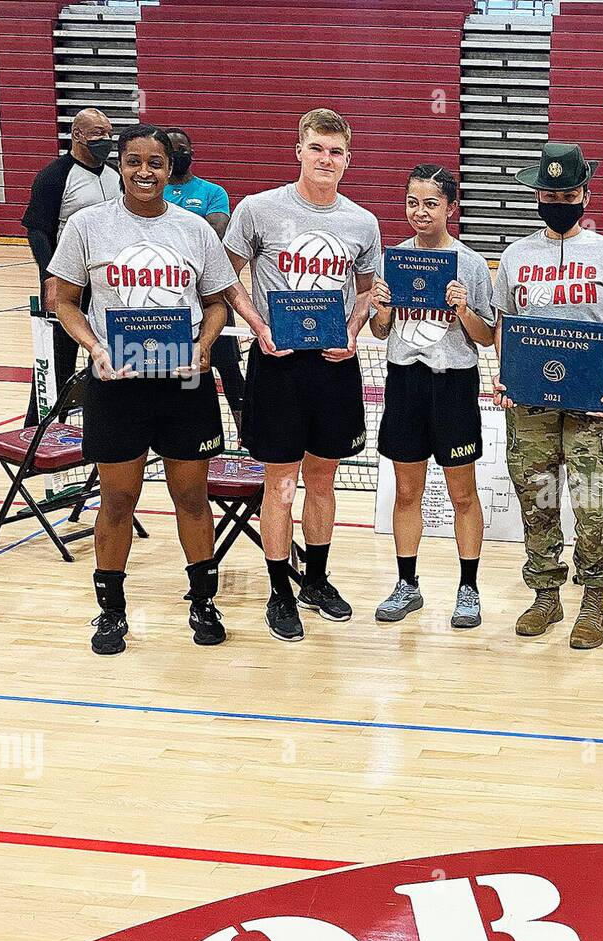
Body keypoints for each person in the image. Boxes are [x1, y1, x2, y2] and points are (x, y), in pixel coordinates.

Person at [47, 123, 237, 655]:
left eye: (155, 163)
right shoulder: (87, 225)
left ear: (169, 168)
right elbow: (62, 301)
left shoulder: (195, 229)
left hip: (184, 383)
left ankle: (202, 601)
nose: (144, 172)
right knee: (118, 498)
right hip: (118, 384)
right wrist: (95, 347)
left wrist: (204, 344)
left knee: (192, 497)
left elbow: (219, 299)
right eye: (134, 162)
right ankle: (111, 612)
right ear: (120, 166)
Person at [222, 108, 381, 642]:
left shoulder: (362, 222)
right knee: (281, 484)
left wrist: (355, 330)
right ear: (298, 150)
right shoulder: (258, 209)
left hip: (333, 367)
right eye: (317, 149)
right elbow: (225, 277)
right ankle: (279, 592)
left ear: (348, 159)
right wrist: (257, 323)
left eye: (336, 152)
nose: (326, 160)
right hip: (277, 363)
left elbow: (365, 291)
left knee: (323, 481)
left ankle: (315, 580)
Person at [491, 142, 603, 649]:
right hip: (531, 404)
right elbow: (503, 326)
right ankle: (545, 594)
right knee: (537, 499)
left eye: (568, 192)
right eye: (549, 193)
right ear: (537, 195)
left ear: (584, 194)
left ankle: (596, 599)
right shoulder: (515, 257)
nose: (558, 200)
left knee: (592, 502)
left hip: (592, 404)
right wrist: (505, 372)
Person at [370, 165, 496, 629]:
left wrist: (463, 309)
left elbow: (485, 338)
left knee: (463, 493)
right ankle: (407, 584)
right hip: (405, 382)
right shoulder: (393, 259)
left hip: (454, 386)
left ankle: (468, 587)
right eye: (412, 202)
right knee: (407, 491)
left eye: (430, 204)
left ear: (450, 208)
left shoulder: (472, 265)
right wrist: (380, 310)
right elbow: (381, 331)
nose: (419, 212)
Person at [21, 108, 120, 426]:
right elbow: (37, 230)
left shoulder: (115, 174)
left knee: (106, 354)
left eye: (108, 132)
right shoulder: (55, 175)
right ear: (77, 135)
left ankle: (105, 424)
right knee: (57, 361)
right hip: (68, 282)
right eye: (97, 133)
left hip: (106, 282)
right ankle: (38, 431)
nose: (105, 139)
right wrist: (49, 276)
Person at [162, 127, 247, 431]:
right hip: (169, 300)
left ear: (192, 152)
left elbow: (216, 231)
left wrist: (169, 228)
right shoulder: (153, 191)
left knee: (230, 371)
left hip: (210, 297)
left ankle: (246, 438)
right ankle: (190, 433)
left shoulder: (213, 192)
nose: (178, 153)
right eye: (171, 149)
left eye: (183, 148)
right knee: (186, 372)